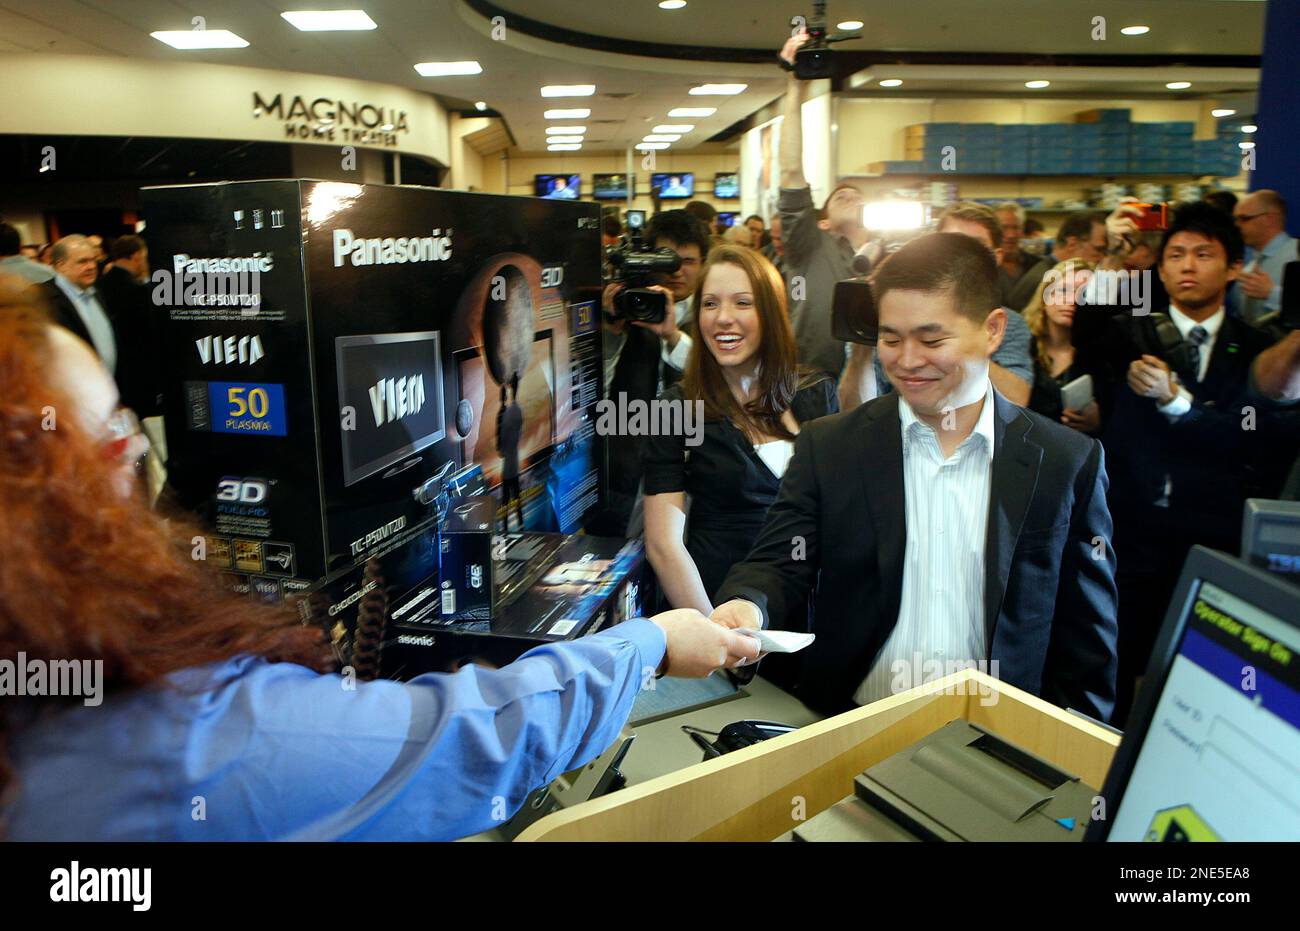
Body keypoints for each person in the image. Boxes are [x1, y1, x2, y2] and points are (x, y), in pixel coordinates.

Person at [0, 290, 759, 841]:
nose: (139, 456)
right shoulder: (178, 743)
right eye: (110, 437)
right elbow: (460, 741)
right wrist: (649, 644)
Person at [708, 233, 1119, 720]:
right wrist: (746, 609)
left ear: (992, 330)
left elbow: (1087, 640)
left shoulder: (1064, 460)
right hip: (849, 722)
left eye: (931, 339)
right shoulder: (833, 446)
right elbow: (778, 562)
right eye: (890, 338)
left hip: (994, 740)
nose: (906, 360)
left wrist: (1074, 752)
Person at [1082, 201, 1298, 724]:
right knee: (1111, 673)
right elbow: (1087, 316)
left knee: (1204, 678)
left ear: (1232, 268)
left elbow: (1255, 438)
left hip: (1213, 540)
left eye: (1204, 254)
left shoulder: (1257, 349)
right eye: (1175, 254)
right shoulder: (1126, 334)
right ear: (1159, 268)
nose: (1187, 265)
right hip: (1128, 535)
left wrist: (1180, 404)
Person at [642, 244, 837, 615]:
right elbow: (663, 545)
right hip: (714, 605)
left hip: (808, 616)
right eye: (710, 304)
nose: (723, 318)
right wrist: (716, 636)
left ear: (772, 312)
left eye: (742, 303)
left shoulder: (816, 393)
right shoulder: (676, 407)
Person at [839, 202, 1035, 411]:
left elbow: (1016, 400)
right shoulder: (892, 318)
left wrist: (968, 342)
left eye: (931, 340)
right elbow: (853, 409)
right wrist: (864, 341)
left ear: (996, 257)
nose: (910, 361)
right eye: (948, 245)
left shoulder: (1010, 324)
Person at [594, 210, 712, 535]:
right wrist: (610, 333)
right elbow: (594, 395)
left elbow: (719, 381)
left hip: (692, 476)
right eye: (665, 260)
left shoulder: (713, 316)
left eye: (686, 261)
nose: (675, 270)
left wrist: (673, 336)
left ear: (704, 264)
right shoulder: (627, 312)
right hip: (624, 471)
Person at [777, 32, 869, 382]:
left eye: (857, 194)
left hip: (886, 384)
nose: (849, 194)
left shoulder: (893, 252)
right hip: (812, 381)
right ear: (824, 221)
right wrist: (794, 83)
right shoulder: (810, 247)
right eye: (838, 195)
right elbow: (790, 172)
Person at [1022, 258, 1101, 432]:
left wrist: (1098, 421)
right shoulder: (1019, 345)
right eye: (1064, 290)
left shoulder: (1101, 355)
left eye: (1084, 294)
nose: (1072, 300)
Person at [98, 234, 162, 418]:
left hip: (112, 372)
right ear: (137, 256)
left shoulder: (98, 287)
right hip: (140, 372)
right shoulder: (138, 292)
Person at [38, 234, 117, 374]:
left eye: (94, 260)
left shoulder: (97, 293)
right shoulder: (43, 299)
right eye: (83, 261)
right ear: (60, 266)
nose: (92, 266)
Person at [1006, 211, 1107, 312]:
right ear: (1072, 244)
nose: (1102, 257)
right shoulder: (1044, 279)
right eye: (1098, 249)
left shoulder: (1049, 273)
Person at [1231, 190, 1297, 324]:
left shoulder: (1296, 253)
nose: (1236, 226)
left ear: (1269, 219)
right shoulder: (1247, 268)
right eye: (1235, 220)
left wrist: (1272, 294)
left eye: (1244, 219)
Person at [994, 202, 1039, 306]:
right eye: (1004, 228)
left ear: (1022, 231)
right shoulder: (982, 268)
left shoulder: (1037, 266)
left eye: (1016, 228)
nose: (1011, 235)